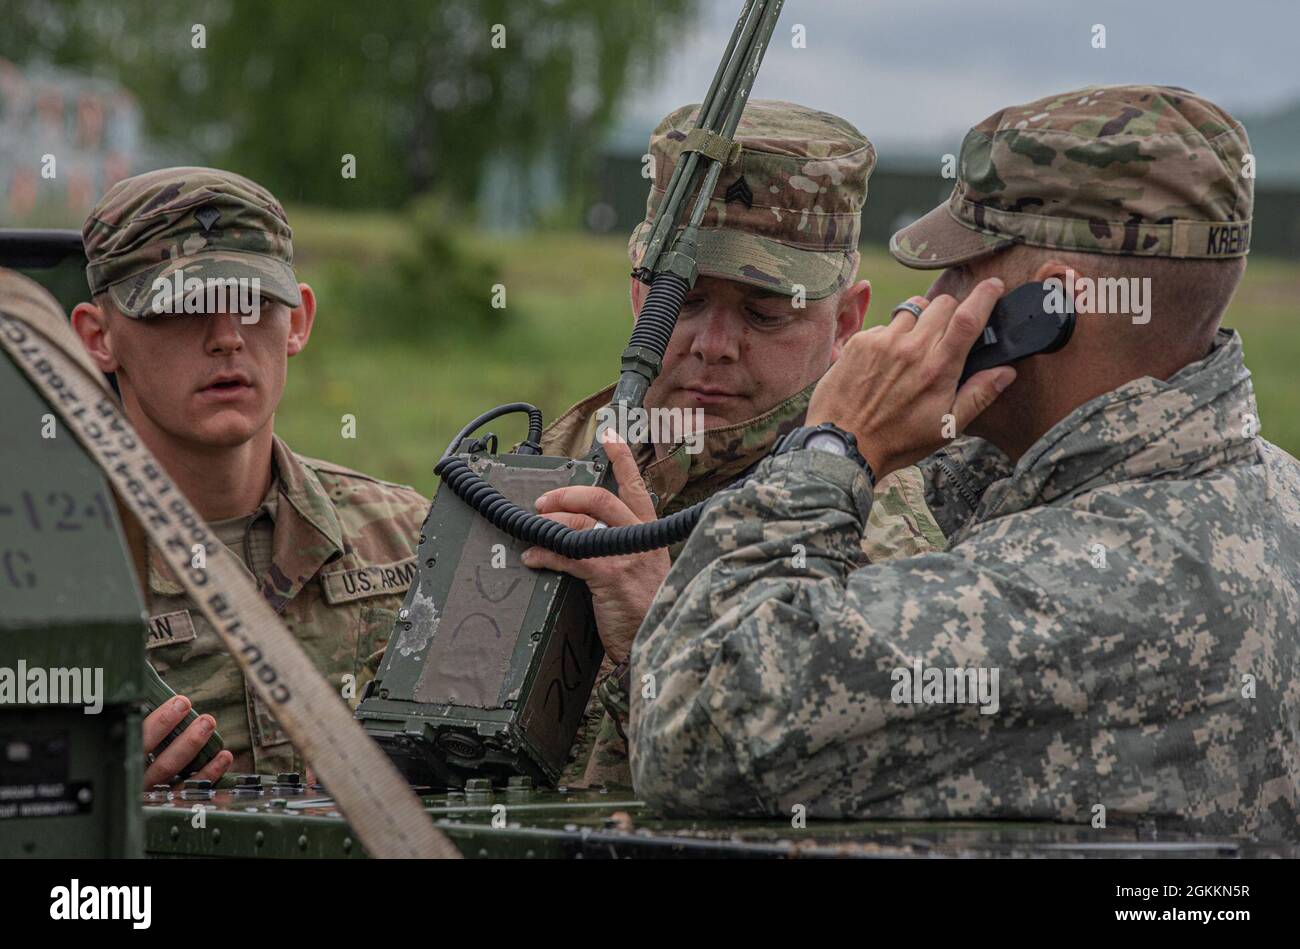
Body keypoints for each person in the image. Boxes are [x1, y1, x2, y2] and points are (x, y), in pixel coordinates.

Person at [630, 85, 1300, 841]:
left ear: (1045, 311)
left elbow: (689, 718)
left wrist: (834, 446)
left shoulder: (1047, 592)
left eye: (958, 270)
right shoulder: (1271, 494)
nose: (931, 299)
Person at [520, 100, 997, 788]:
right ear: (638, 296)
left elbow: (835, 790)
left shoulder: (891, 527)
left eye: (765, 313)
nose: (713, 346)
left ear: (848, 321)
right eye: (681, 302)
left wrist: (665, 625)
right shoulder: (547, 463)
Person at [70, 167, 429, 784]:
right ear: (98, 339)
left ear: (297, 322)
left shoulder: (410, 537)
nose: (227, 337)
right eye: (183, 306)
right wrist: (80, 799)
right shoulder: (45, 566)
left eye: (254, 302)